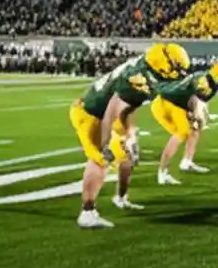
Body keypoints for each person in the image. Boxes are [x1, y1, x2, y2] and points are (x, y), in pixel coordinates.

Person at [69, 43, 190, 228]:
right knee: (101, 160)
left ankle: (120, 198)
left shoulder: (148, 69)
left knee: (127, 156)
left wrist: (129, 134)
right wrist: (105, 145)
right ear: (165, 62)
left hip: (108, 114)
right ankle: (87, 213)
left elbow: (128, 107)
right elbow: (111, 111)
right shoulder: (138, 78)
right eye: (176, 68)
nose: (178, 73)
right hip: (90, 114)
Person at [151, 62, 218, 185]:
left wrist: (197, 117)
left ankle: (187, 162)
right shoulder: (204, 83)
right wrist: (197, 116)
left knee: (195, 129)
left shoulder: (208, 79)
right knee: (182, 133)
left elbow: (195, 100)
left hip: (179, 104)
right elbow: (195, 103)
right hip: (166, 104)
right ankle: (162, 172)